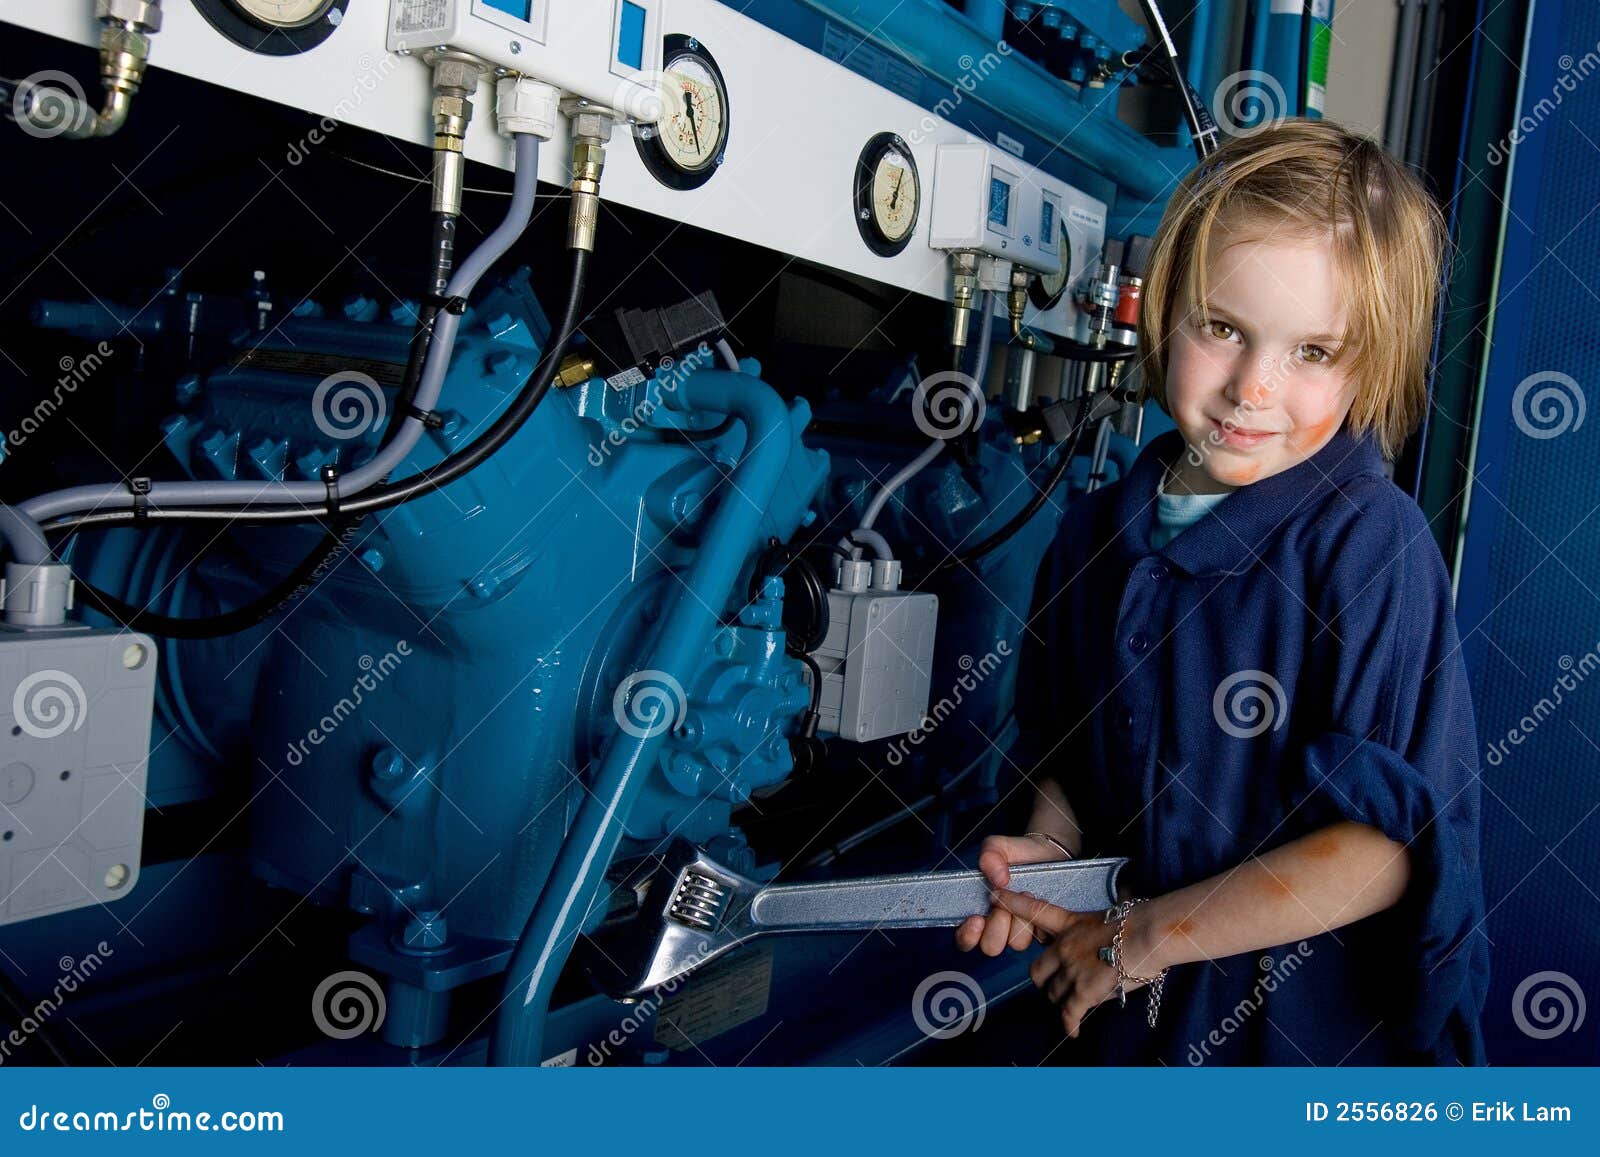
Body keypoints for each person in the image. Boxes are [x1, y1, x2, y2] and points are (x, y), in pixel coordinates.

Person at [955, 118, 1489, 1066]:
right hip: (1133, 1033)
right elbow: (1073, 753)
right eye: (1224, 328)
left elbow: (1381, 853)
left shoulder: (1372, 549)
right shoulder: (1092, 537)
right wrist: (1054, 844)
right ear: (1165, 310)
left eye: (1313, 353)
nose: (1252, 387)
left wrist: (1140, 939)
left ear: (1369, 362)